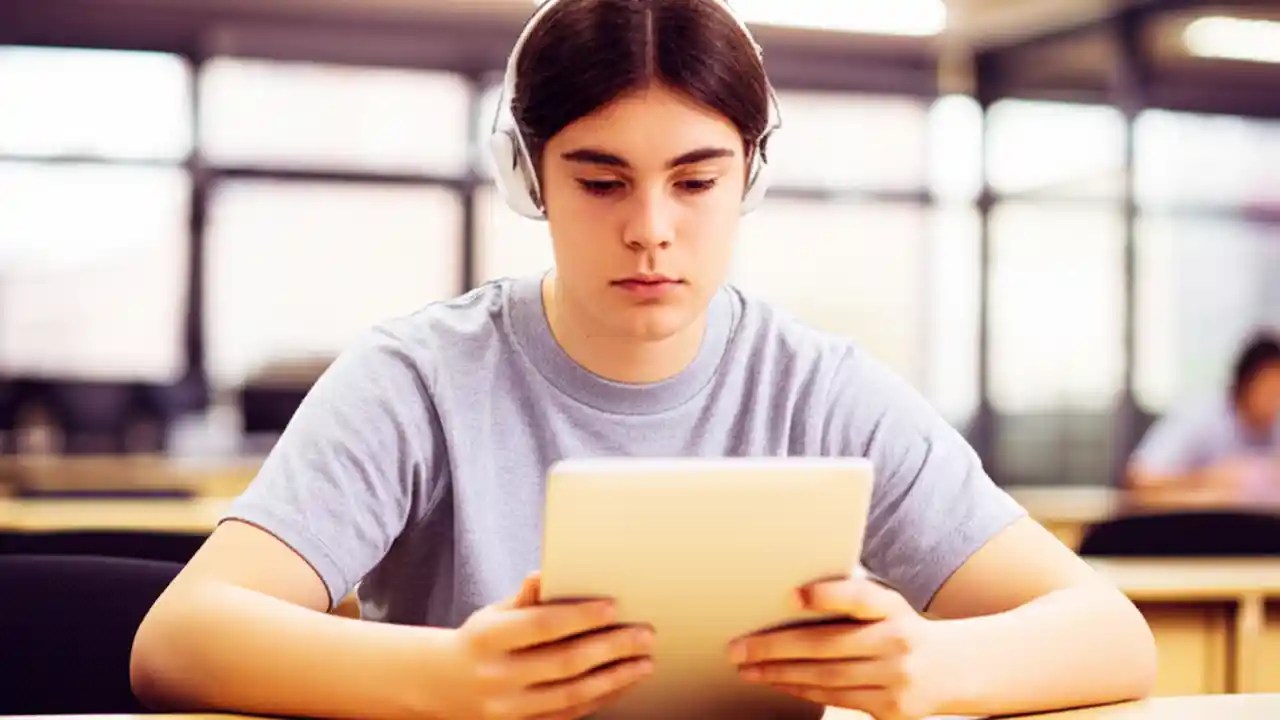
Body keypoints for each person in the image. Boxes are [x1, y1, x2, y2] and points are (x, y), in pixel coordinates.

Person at [131, 2, 1156, 719]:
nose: (650, 230)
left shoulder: (819, 385)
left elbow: (1108, 634)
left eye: (695, 180)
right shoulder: (416, 377)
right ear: (527, 178)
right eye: (601, 181)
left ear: (749, 176)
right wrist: (453, 680)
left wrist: (929, 661)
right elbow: (179, 642)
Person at [1128, 332, 1280, 505]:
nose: (1275, 402)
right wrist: (1211, 481)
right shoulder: (1200, 417)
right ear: (1245, 383)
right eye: (1270, 390)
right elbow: (1140, 480)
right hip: (1196, 525)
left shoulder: (1275, 427)